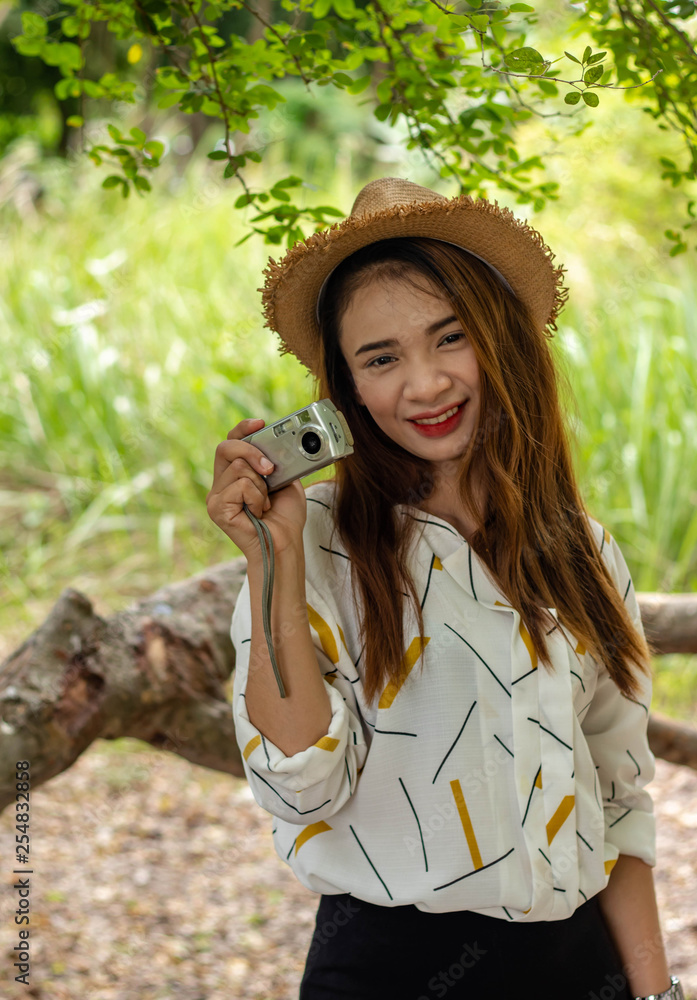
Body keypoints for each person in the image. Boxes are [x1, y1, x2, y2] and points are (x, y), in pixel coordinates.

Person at [206, 178, 682, 1000]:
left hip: (580, 970)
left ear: (498, 338)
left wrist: (657, 995)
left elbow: (617, 799)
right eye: (380, 358)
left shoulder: (584, 552)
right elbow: (298, 781)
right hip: (388, 970)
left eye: (449, 338)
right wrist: (271, 563)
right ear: (347, 386)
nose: (423, 385)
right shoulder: (313, 542)